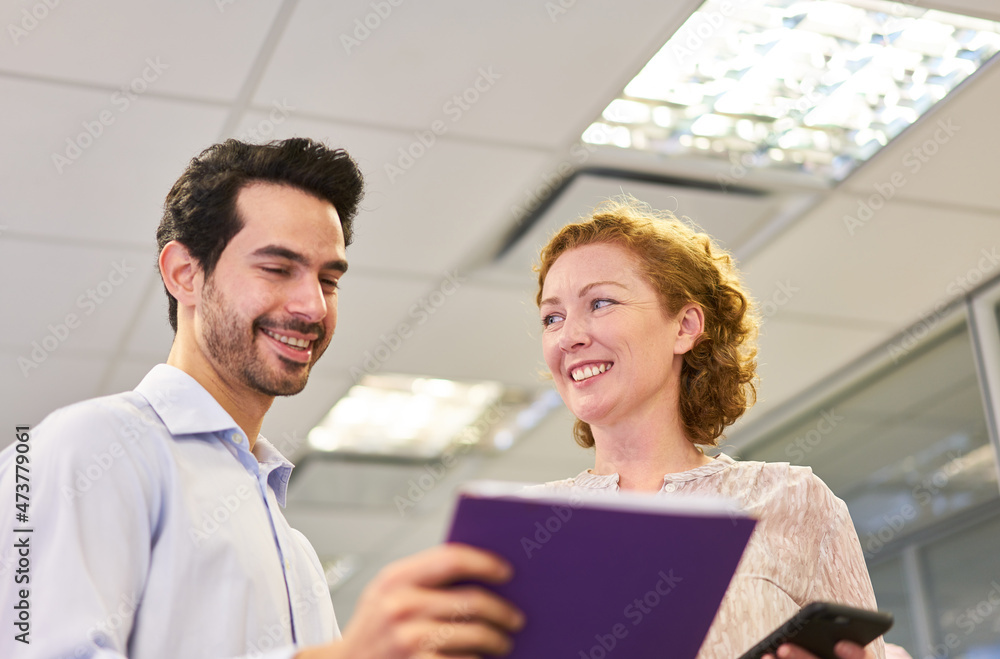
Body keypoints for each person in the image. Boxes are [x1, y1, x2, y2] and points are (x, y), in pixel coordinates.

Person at [0, 138, 523, 659]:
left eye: (328, 279)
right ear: (185, 273)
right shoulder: (87, 446)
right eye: (278, 269)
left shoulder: (295, 552)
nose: (313, 306)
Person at [533, 196, 887, 659]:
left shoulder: (793, 498)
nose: (569, 336)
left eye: (600, 302)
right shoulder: (527, 526)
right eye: (552, 317)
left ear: (684, 326)